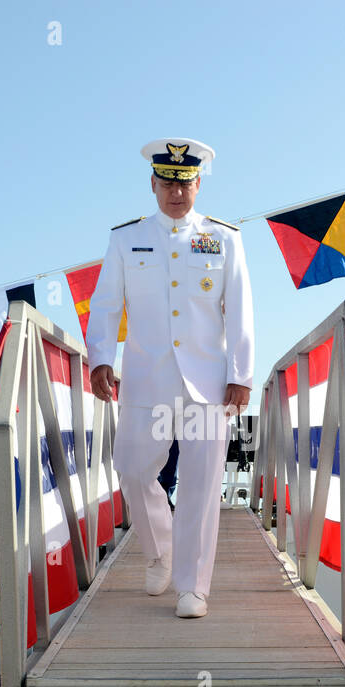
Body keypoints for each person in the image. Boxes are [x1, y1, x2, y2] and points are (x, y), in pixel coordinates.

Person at [86, 138, 255, 619]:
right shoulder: (126, 239)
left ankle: (193, 587)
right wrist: (101, 358)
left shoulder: (225, 238)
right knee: (134, 469)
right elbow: (105, 304)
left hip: (208, 384)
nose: (176, 192)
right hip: (147, 379)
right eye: (167, 183)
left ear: (198, 184)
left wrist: (241, 373)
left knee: (202, 485)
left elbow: (240, 309)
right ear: (153, 184)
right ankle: (160, 551)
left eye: (185, 183)